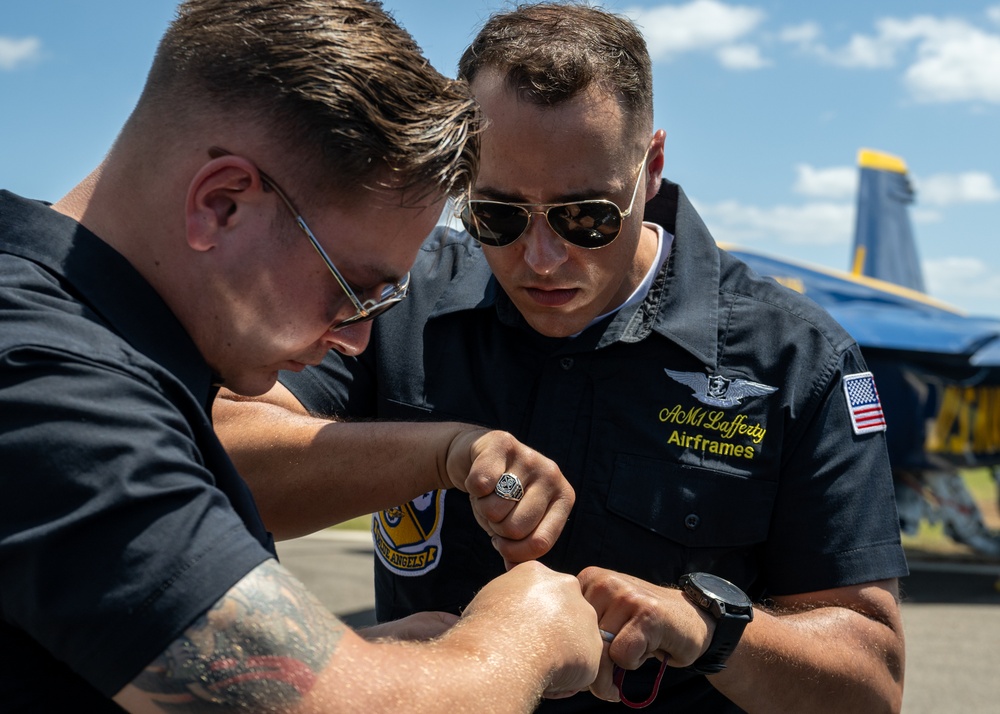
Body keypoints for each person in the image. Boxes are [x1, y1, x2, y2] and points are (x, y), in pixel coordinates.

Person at [215, 2, 908, 712]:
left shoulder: (796, 359)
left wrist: (709, 628)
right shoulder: (403, 298)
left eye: (587, 218)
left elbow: (871, 682)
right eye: (498, 216)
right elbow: (223, 451)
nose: (542, 258)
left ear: (651, 168)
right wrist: (443, 453)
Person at [0, 1, 606, 711]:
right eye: (353, 288)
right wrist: (521, 639)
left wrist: (370, 661)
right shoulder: (52, 390)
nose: (356, 338)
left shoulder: (78, 347)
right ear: (222, 204)